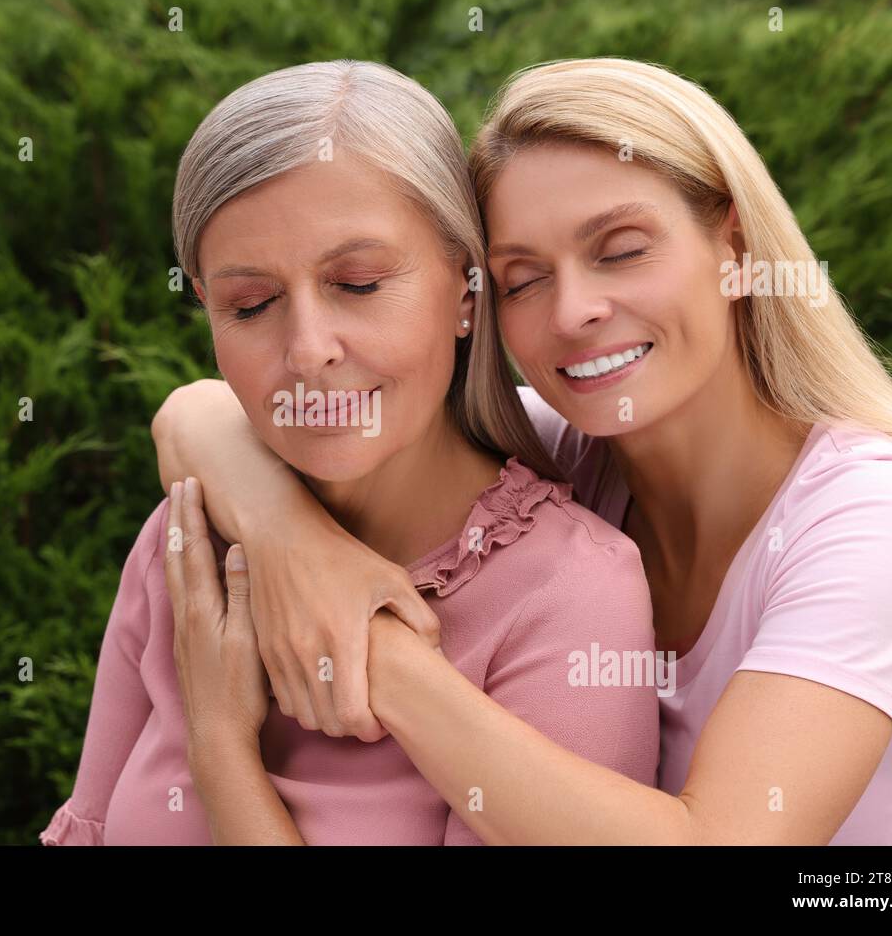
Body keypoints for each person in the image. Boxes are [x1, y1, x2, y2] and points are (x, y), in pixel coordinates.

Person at [152, 58, 892, 844]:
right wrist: (295, 546)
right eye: (522, 278)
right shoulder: (562, 454)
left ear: (734, 251)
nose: (575, 309)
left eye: (621, 250)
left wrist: (371, 646)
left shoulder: (880, 518)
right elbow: (196, 414)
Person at [40, 60, 659, 845]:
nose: (307, 350)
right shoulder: (189, 536)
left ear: (468, 292)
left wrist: (222, 750)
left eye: (359, 284)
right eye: (250, 303)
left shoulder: (570, 592)